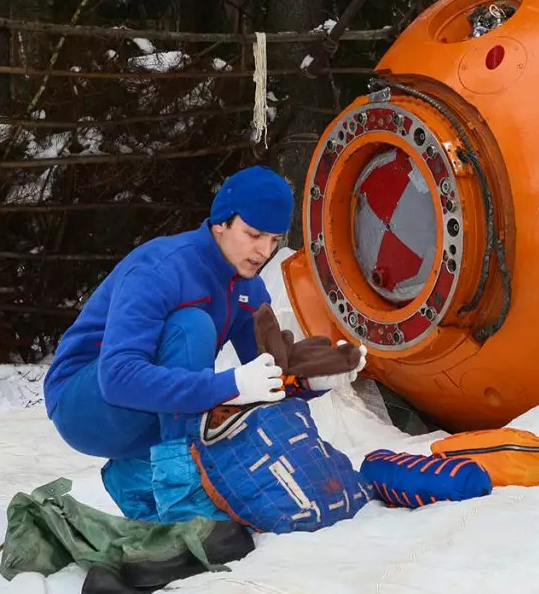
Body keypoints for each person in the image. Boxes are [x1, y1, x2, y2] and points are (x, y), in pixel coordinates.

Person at [43, 165, 364, 525]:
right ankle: (183, 502)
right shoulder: (161, 269)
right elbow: (117, 377)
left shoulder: (248, 288)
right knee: (191, 326)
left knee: (225, 410)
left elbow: (267, 376)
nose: (264, 251)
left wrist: (310, 383)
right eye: (253, 234)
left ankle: (135, 477)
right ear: (220, 223)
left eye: (273, 240)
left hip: (148, 409)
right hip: (82, 405)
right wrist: (229, 385)